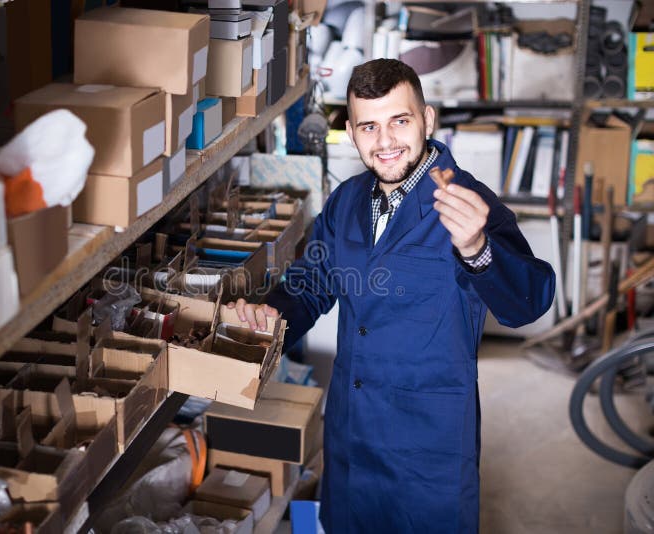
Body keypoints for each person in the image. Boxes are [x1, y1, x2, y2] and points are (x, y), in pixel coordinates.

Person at [227, 59, 555, 533]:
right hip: (352, 431)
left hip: (428, 445)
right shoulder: (347, 201)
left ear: (427, 119)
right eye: (369, 127)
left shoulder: (467, 201)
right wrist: (270, 314)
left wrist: (478, 249)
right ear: (351, 133)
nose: (385, 141)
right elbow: (312, 283)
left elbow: (531, 301)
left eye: (400, 121)